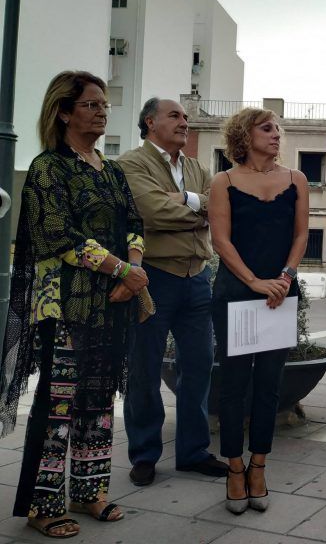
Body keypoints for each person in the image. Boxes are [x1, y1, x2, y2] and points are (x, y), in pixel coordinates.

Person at [0, 71, 148, 538]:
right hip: (65, 307)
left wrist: (134, 267)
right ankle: (44, 505)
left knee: (98, 402)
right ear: (64, 111)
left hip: (111, 305)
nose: (102, 111)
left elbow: (133, 220)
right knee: (58, 403)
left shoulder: (111, 170)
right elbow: (57, 236)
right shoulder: (49, 168)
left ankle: (89, 492)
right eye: (91, 104)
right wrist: (123, 272)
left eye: (104, 104)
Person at [119, 98, 227, 487]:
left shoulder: (197, 167)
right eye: (175, 116)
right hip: (154, 277)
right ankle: (145, 454)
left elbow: (218, 209)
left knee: (198, 366)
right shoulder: (131, 164)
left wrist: (189, 203)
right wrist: (195, 210)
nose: (185, 121)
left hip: (198, 277)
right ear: (150, 122)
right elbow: (151, 213)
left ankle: (193, 452)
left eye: (185, 116)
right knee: (145, 368)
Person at [207, 107, 309, 514]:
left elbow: (302, 234)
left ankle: (259, 467)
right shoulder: (223, 181)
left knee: (269, 385)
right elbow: (221, 241)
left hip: (281, 293)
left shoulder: (297, 179)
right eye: (267, 128)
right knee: (234, 386)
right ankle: (234, 468)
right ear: (244, 136)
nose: (276, 134)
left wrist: (284, 278)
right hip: (236, 292)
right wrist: (253, 281)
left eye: (277, 129)